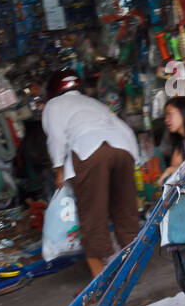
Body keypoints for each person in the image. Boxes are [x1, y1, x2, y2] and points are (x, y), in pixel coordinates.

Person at [42, 68, 141, 279]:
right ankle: (132, 270)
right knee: (126, 212)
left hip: (89, 152)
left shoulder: (53, 105)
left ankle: (99, 280)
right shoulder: (93, 102)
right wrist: (135, 159)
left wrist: (59, 168)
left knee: (92, 216)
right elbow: (124, 128)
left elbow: (56, 137)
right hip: (123, 149)